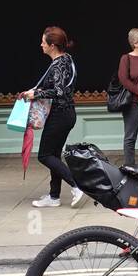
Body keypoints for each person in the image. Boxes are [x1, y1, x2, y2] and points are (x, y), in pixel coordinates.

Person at [27, 27, 84, 209]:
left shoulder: (58, 64)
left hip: (59, 114)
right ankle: (54, 196)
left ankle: (76, 186)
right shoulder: (67, 59)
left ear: (52, 45)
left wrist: (35, 94)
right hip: (67, 113)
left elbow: (59, 92)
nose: (41, 44)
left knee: (44, 155)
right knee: (53, 155)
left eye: (44, 41)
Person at [117, 27, 138, 167]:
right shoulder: (127, 58)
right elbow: (124, 80)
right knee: (130, 136)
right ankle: (129, 167)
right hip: (133, 103)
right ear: (136, 43)